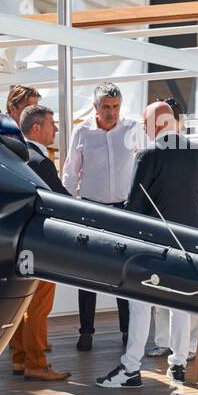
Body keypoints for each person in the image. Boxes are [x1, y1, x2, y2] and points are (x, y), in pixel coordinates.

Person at [96, 102, 198, 389]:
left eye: (145, 123)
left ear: (156, 125)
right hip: (187, 243)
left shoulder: (148, 155)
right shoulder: (196, 151)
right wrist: (197, 224)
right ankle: (177, 365)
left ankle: (131, 369)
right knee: (180, 303)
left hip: (152, 245)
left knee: (139, 305)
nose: (142, 128)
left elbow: (133, 206)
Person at [63, 82, 140, 351]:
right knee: (88, 273)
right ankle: (86, 333)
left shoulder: (132, 129)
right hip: (91, 210)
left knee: (124, 271)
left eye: (116, 106)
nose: (111, 112)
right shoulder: (81, 132)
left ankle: (127, 331)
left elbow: (145, 163)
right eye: (106, 107)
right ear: (95, 107)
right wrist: (66, 208)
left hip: (124, 210)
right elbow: (71, 172)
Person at [7, 105, 70, 382]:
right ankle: (37, 364)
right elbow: (62, 201)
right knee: (39, 307)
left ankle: (20, 359)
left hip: (21, 243)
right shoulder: (41, 162)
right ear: (36, 129)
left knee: (23, 305)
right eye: (51, 123)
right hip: (42, 245)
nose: (55, 129)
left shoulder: (18, 155)